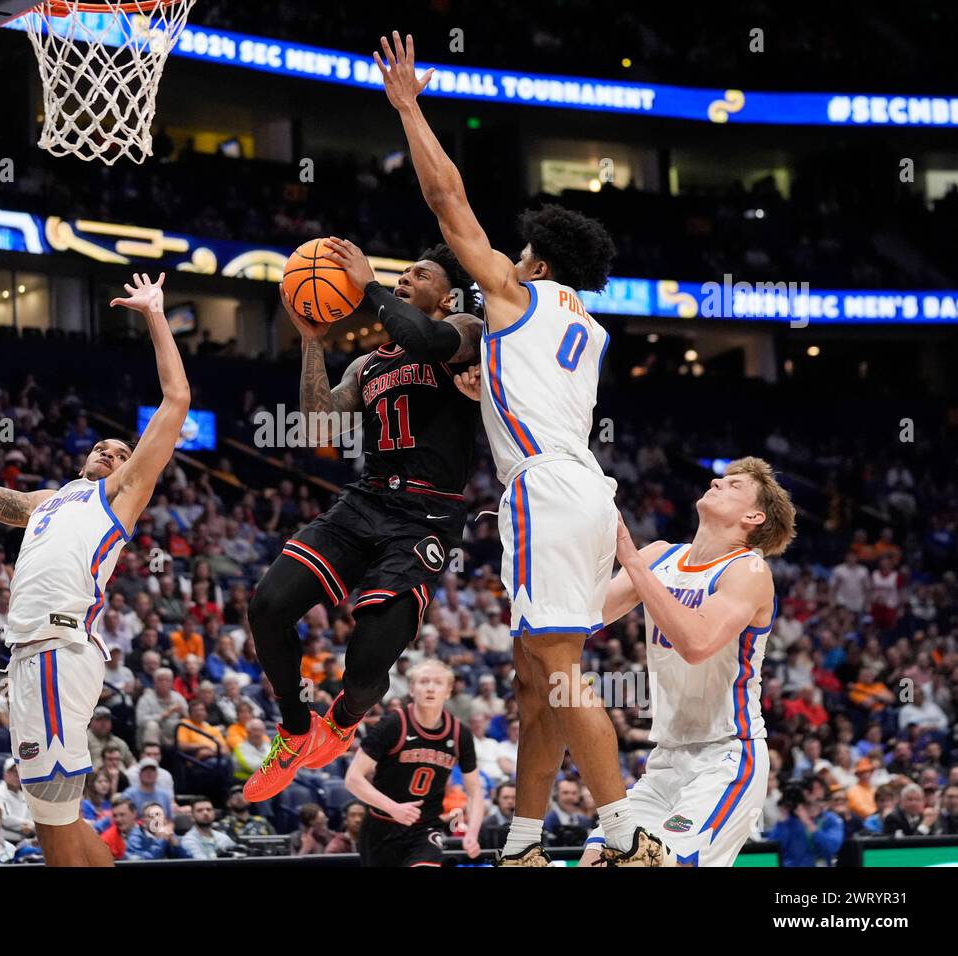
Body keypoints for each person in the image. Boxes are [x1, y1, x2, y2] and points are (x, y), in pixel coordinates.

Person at [374, 33, 650, 865]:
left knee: (560, 673)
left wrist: (409, 109)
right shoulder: (590, 329)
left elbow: (446, 199)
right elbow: (524, 383)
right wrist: (486, 382)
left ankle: (626, 834)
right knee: (535, 677)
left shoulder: (512, 289)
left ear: (533, 258)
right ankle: (526, 843)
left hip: (544, 490)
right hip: (584, 492)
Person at [0, 273, 190, 868]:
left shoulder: (121, 494)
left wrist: (152, 313)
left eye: (124, 452)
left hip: (57, 646)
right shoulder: (50, 499)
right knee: (54, 820)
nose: (112, 454)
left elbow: (175, 402)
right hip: (29, 654)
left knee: (54, 824)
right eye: (105, 448)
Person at [243, 233, 482, 802]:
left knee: (371, 651)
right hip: (367, 499)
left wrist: (370, 283)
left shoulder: (467, 333)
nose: (406, 279)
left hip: (425, 515)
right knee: (268, 606)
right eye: (403, 275)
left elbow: (421, 338)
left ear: (447, 298)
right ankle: (295, 729)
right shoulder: (369, 364)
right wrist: (311, 343)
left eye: (419, 275)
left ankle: (346, 716)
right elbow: (319, 424)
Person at [578, 459, 797, 867]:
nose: (716, 481)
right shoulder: (660, 556)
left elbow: (696, 642)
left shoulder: (748, 570)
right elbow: (582, 617)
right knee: (597, 860)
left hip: (727, 758)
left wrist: (633, 560)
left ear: (754, 516)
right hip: (664, 759)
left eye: (733, 485)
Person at [345, 659, 482, 866]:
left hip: (425, 829)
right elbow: (353, 779)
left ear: (448, 691)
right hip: (382, 825)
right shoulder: (393, 725)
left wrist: (472, 832)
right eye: (424, 681)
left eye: (437, 682)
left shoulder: (460, 734)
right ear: (411, 688)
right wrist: (394, 808)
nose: (430, 688)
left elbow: (474, 791)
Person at [764, 780, 844, 867]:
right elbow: (772, 850)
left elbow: (831, 848)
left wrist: (808, 823)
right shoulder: (789, 821)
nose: (813, 794)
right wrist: (783, 820)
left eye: (817, 789)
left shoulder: (830, 819)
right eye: (809, 790)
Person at [0, 758, 38, 844]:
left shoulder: (25, 796)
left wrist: (31, 827)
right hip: (2, 842)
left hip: (24, 841)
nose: (17, 775)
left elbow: (33, 819)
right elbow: (5, 819)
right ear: (5, 775)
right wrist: (30, 824)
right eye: (13, 771)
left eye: (19, 771)